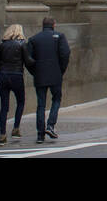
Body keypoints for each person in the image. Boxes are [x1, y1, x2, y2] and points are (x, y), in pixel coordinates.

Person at [24, 16, 71, 144]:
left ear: (43, 25)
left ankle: (40, 134)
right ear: (54, 24)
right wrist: (60, 70)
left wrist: (34, 71)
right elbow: (65, 54)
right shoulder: (59, 37)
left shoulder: (34, 39)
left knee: (41, 104)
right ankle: (50, 125)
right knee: (56, 99)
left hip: (40, 75)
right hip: (55, 74)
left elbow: (28, 59)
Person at [0, 24, 28, 144]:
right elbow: (28, 60)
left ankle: (2, 134)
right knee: (21, 101)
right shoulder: (22, 44)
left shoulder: (2, 45)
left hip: (3, 75)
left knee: (4, 106)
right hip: (16, 75)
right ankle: (16, 128)